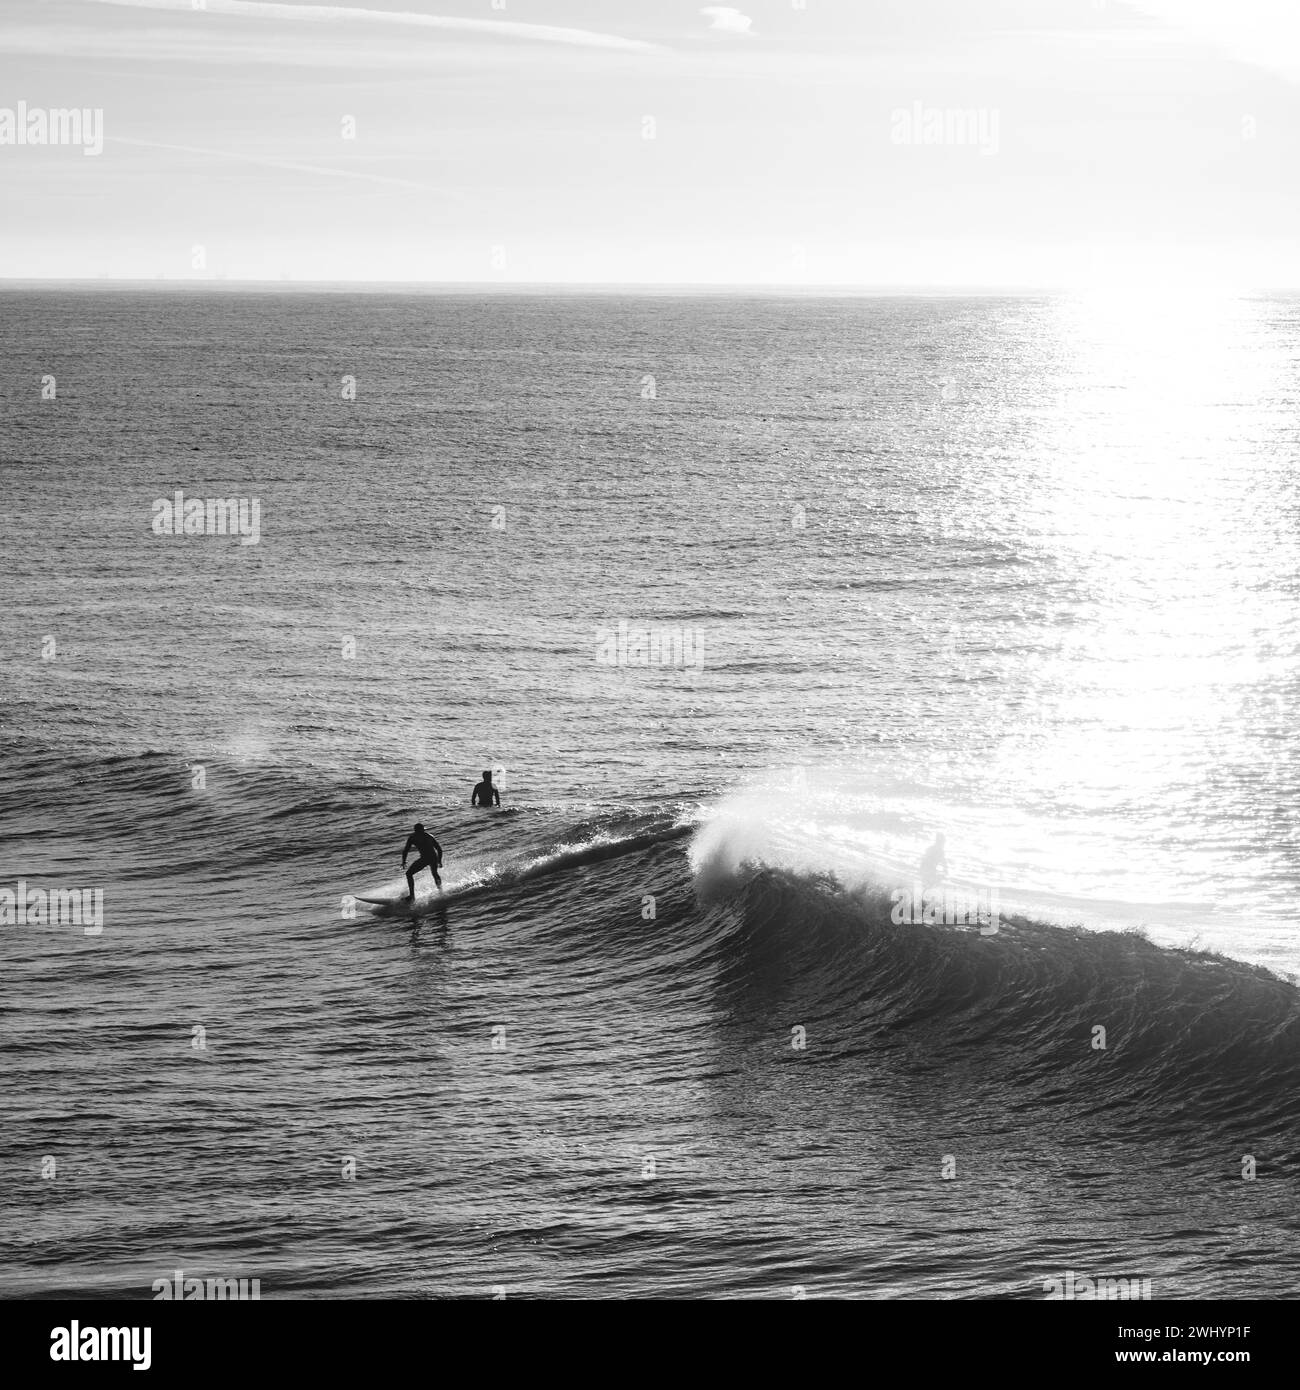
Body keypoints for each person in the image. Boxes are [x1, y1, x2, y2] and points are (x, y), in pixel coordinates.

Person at [402, 822, 443, 901]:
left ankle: (441, 892)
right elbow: (406, 850)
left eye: (422, 830)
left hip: (432, 858)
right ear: (416, 831)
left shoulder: (429, 837)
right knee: (409, 874)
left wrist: (439, 861)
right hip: (424, 858)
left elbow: (439, 849)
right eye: (420, 831)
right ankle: (412, 896)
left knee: (434, 873)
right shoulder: (412, 838)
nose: (422, 832)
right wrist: (404, 861)